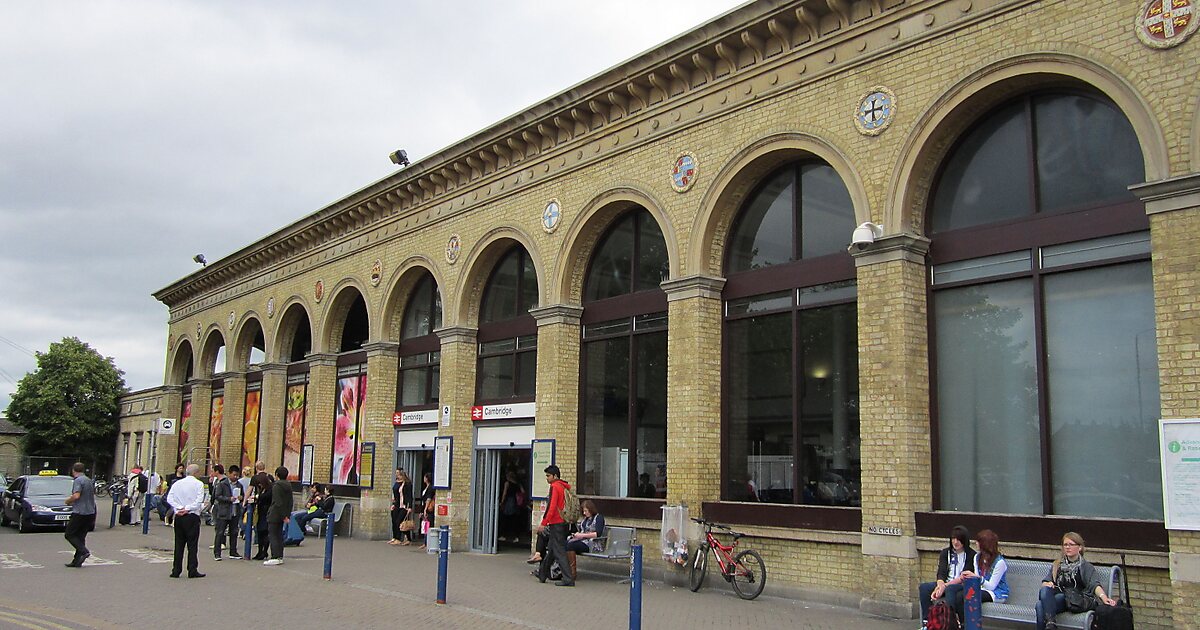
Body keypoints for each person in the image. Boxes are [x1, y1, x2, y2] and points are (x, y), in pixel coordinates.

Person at [1036, 532, 1118, 630]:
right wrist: (1048, 583)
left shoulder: (1086, 567)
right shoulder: (1057, 565)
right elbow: (1045, 582)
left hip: (1076, 600)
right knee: (1044, 592)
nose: (1067, 547)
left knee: (1040, 606)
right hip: (1058, 599)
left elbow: (1094, 584)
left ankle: (1051, 624)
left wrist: (1104, 597)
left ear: (1079, 547)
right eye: (1065, 545)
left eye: (1071, 544)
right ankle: (1051, 623)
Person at [918, 525, 976, 628]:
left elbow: (963, 577)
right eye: (953, 539)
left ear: (964, 540)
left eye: (958, 539)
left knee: (950, 589)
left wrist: (944, 586)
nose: (955, 542)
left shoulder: (971, 555)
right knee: (924, 588)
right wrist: (940, 585)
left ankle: (950, 623)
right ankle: (927, 622)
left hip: (960, 585)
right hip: (945, 583)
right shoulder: (946, 553)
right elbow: (941, 572)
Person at [949, 529, 1009, 621]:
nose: (976, 543)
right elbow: (976, 579)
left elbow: (992, 586)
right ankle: (956, 622)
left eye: (978, 541)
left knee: (964, 596)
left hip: (995, 593)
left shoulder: (999, 563)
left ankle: (967, 625)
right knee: (955, 592)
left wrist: (977, 578)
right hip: (979, 588)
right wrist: (969, 577)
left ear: (985, 544)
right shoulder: (977, 557)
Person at [536, 464, 574, 587]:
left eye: (548, 476)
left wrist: (543, 523)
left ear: (555, 476)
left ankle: (568, 578)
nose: (547, 478)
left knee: (559, 552)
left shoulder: (555, 487)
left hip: (556, 523)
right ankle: (542, 573)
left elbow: (551, 507)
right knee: (552, 549)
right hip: (562, 522)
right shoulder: (564, 487)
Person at [165, 463, 206, 578]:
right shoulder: (199, 484)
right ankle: (192, 569)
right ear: (196, 473)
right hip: (192, 516)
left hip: (179, 516)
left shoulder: (177, 484)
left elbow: (169, 498)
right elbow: (198, 501)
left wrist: (179, 508)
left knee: (179, 543)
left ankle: (176, 570)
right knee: (192, 544)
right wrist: (187, 508)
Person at [63, 462, 96, 568]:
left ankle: (84, 551)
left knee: (69, 534)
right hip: (90, 512)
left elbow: (76, 495)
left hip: (79, 512)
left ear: (73, 470)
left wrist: (68, 501)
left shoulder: (78, 481)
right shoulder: (88, 480)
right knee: (80, 536)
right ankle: (77, 561)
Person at [211, 464, 241, 560]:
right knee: (220, 532)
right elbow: (217, 496)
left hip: (234, 511)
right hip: (224, 511)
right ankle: (217, 553)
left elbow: (243, 495)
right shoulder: (222, 484)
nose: (235, 477)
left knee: (234, 532)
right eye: (234, 475)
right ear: (229, 474)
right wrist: (229, 499)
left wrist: (241, 497)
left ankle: (233, 552)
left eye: (237, 475)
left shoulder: (239, 485)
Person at [264, 466, 293, 566]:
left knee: (273, 535)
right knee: (279, 535)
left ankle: (275, 556)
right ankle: (280, 556)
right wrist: (287, 515)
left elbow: (277, 502)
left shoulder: (276, 486)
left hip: (275, 514)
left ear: (277, 475)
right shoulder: (288, 486)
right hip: (283, 514)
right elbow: (290, 502)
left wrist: (282, 515)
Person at [248, 461, 273, 560]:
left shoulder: (269, 491)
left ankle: (264, 552)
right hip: (261, 512)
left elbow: (263, 498)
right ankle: (260, 551)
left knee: (264, 532)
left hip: (265, 512)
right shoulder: (264, 489)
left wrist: (255, 498)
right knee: (260, 532)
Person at [389, 469, 413, 545]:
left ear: (401, 474)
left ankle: (399, 539)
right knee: (394, 521)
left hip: (404, 506)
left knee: (399, 522)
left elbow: (409, 496)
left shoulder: (407, 484)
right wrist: (393, 504)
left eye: (397, 473)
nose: (396, 474)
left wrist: (410, 507)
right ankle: (395, 537)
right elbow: (395, 494)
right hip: (396, 505)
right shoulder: (396, 483)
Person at [417, 472, 435, 550]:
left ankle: (428, 543)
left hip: (428, 510)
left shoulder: (430, 488)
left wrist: (425, 510)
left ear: (427, 478)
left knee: (428, 526)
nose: (423, 478)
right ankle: (425, 542)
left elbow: (428, 499)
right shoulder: (426, 487)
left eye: (425, 477)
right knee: (425, 526)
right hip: (424, 508)